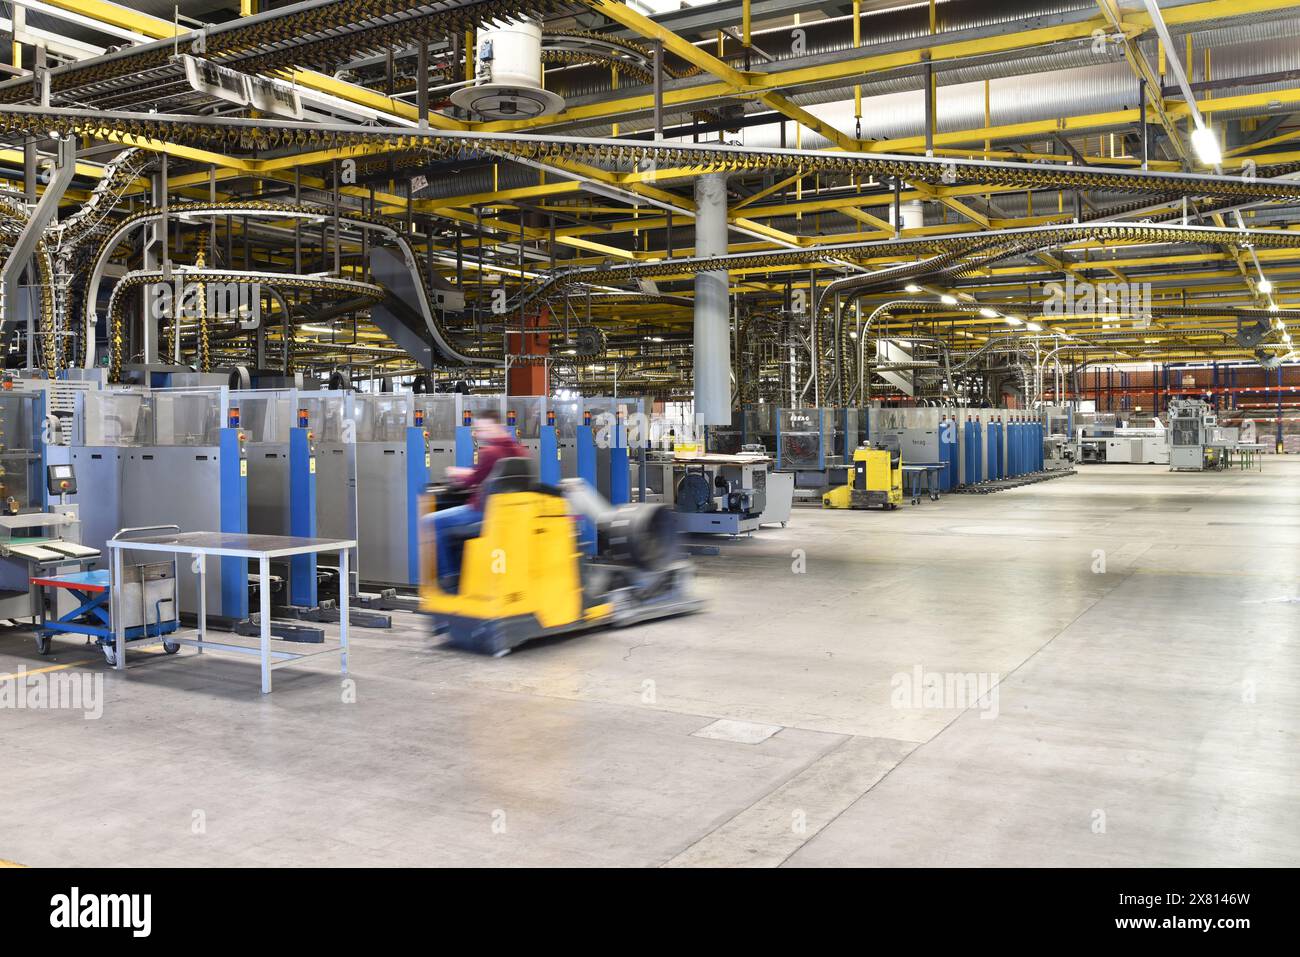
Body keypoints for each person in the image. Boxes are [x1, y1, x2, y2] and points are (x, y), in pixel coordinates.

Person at [429, 409, 529, 587]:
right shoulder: (520, 452)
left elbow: (471, 480)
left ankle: (448, 576)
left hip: (482, 513)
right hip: (506, 514)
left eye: (482, 429)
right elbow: (486, 474)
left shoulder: (490, 452)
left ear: (495, 427)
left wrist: (455, 473)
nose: (480, 434)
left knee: (432, 520)